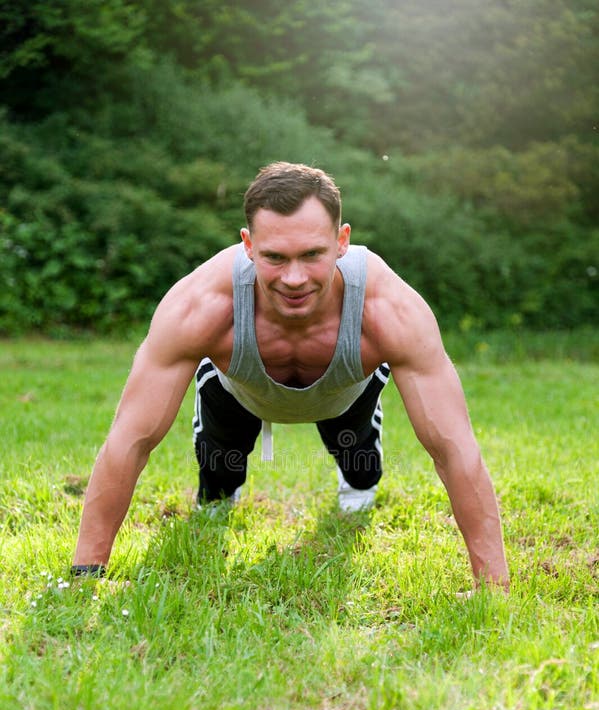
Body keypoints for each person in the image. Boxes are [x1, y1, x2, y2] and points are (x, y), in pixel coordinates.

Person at [72, 161, 509, 590]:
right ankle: (220, 485)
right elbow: (131, 438)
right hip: (236, 390)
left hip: (346, 391)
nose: (295, 278)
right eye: (275, 258)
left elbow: (454, 448)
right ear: (248, 245)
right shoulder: (202, 304)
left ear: (342, 241)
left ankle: (358, 471)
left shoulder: (388, 310)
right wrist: (84, 575)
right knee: (217, 488)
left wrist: (493, 587)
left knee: (360, 477)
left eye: (312, 255)